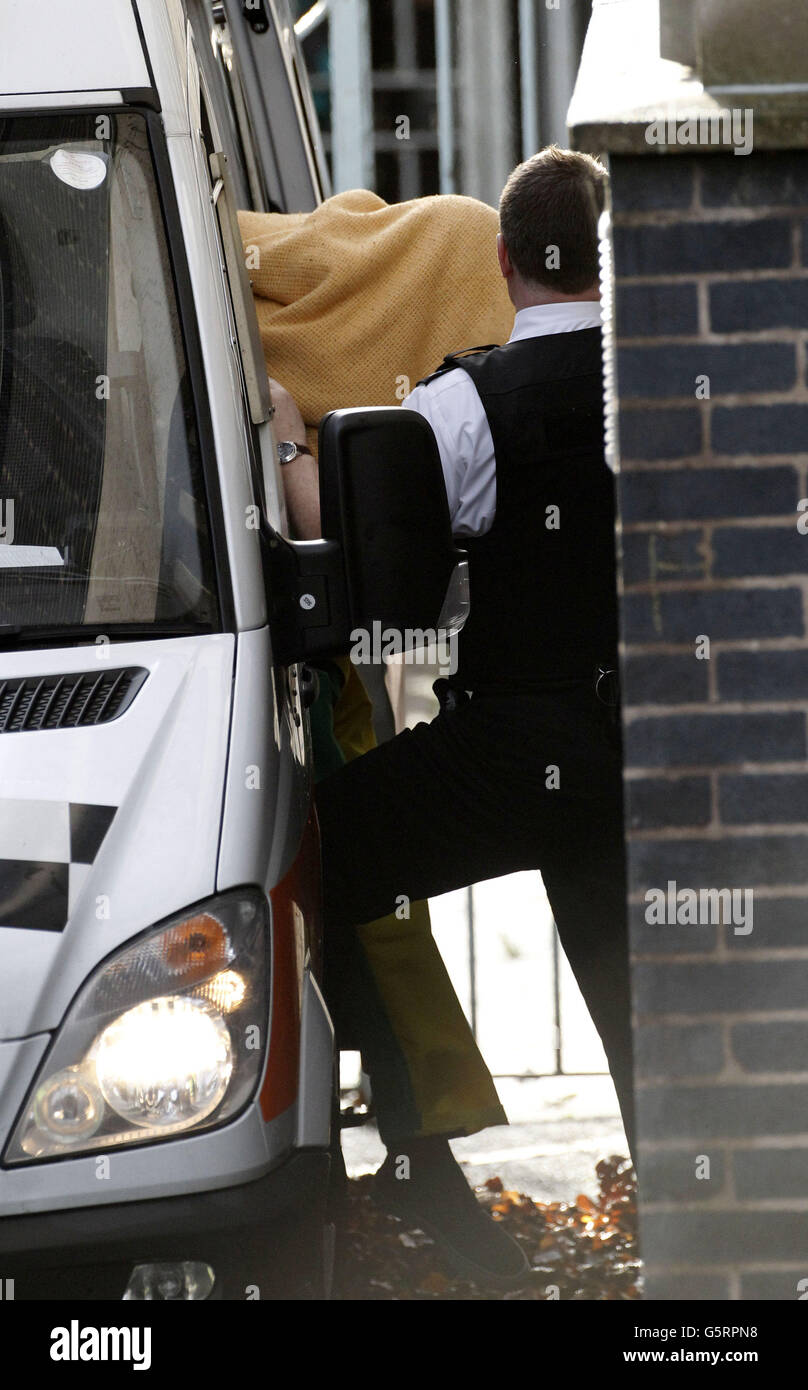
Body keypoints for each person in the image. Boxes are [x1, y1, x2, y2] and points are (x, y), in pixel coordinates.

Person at [273, 146, 635, 1284]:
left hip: (510, 750)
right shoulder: (677, 379)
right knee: (647, 1023)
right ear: (608, 255)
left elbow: (337, 514)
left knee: (317, 853)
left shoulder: (463, 401)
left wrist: (285, 427)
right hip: (651, 760)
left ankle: (413, 1147)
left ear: (502, 260)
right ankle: (709, 1251)